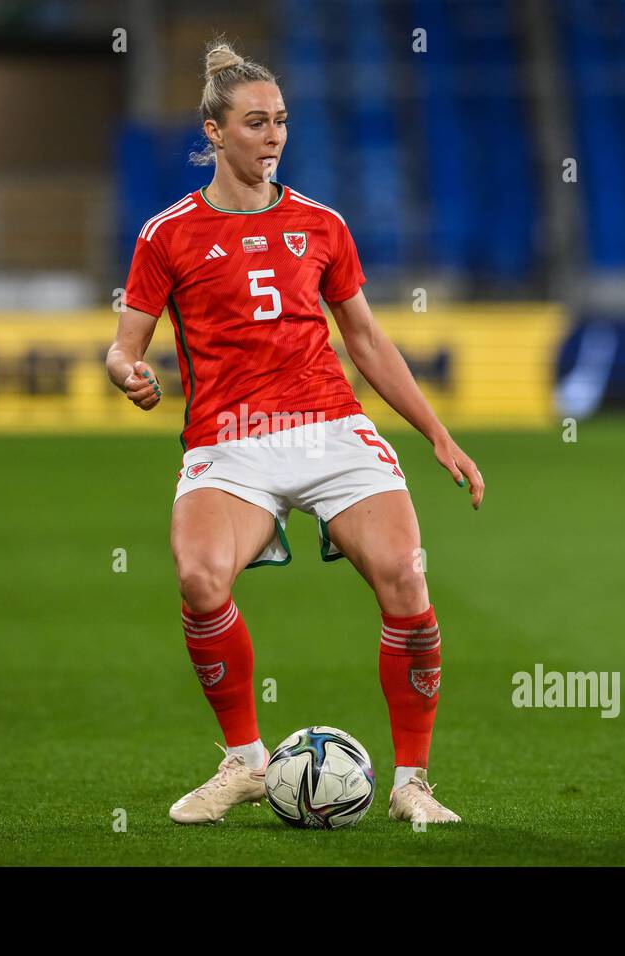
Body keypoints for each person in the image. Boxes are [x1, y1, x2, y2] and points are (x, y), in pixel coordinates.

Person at [105, 39, 483, 825]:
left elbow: (369, 343)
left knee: (407, 580)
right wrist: (126, 372)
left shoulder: (322, 224)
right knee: (201, 578)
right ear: (214, 133)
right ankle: (244, 762)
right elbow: (124, 344)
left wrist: (437, 433)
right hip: (229, 439)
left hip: (332, 429)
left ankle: (412, 782)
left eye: (280, 122)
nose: (273, 136)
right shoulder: (166, 235)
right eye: (255, 123)